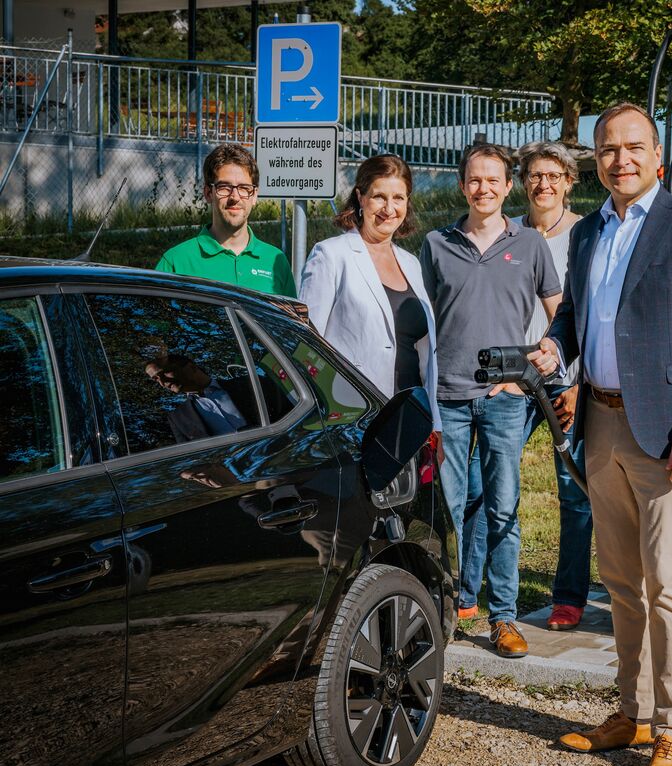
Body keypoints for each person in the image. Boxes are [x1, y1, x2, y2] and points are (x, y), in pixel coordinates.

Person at [528, 102, 672, 766]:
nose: (619, 160)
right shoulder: (589, 232)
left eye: (632, 148)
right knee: (621, 583)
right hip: (602, 424)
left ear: (656, 157)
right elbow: (581, 322)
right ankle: (631, 710)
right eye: (608, 149)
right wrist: (554, 347)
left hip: (667, 432)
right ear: (596, 159)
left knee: (670, 588)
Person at [420, 142, 560, 659]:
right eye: (474, 180)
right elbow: (423, 321)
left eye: (494, 180)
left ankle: (504, 617)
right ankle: (445, 608)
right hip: (449, 398)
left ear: (508, 186)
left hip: (505, 398)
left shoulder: (531, 244)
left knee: (503, 509)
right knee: (448, 510)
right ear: (463, 186)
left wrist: (537, 364)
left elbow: (558, 313)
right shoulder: (436, 244)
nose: (484, 189)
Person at [298, 154, 441, 436]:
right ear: (361, 198)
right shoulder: (331, 255)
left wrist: (435, 425)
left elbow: (427, 356)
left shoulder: (411, 264)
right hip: (353, 419)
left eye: (398, 198)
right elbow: (306, 346)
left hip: (411, 417)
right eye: (379, 197)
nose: (389, 209)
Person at [514, 140, 592, 631]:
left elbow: (589, 311)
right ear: (523, 182)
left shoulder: (587, 233)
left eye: (553, 175)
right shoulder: (507, 231)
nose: (544, 184)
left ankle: (568, 596)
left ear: (568, 181)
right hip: (512, 379)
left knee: (574, 489)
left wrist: (578, 379)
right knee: (491, 483)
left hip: (567, 376)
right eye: (534, 175)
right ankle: (473, 589)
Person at [156, 144, 294, 296]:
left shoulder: (276, 261)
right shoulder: (176, 262)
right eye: (224, 187)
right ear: (208, 193)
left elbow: (291, 319)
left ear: (254, 195)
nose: (235, 197)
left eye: (243, 188)